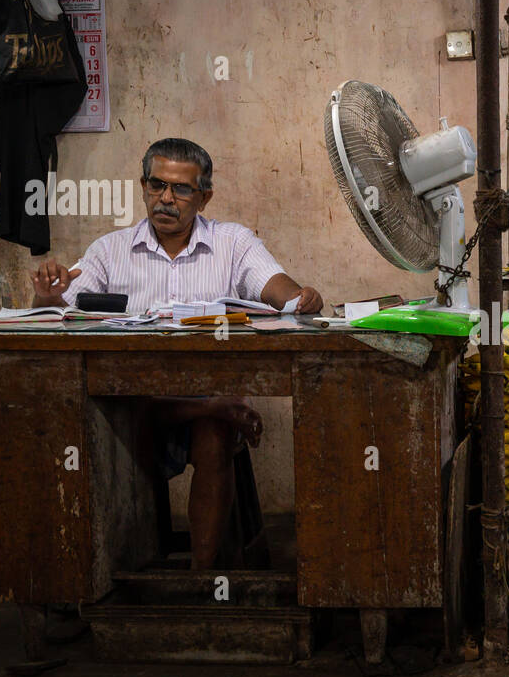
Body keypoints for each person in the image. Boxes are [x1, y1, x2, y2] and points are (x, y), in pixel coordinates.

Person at [29, 137, 324, 569]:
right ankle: (97, 577)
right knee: (101, 417)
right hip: (133, 409)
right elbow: (60, 306)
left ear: (204, 196)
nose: (166, 198)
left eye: (181, 189)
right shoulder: (110, 252)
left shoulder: (233, 243)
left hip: (194, 406)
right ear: (143, 185)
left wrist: (301, 299)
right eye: (156, 185)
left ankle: (200, 580)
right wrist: (47, 294)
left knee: (213, 434)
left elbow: (279, 290)